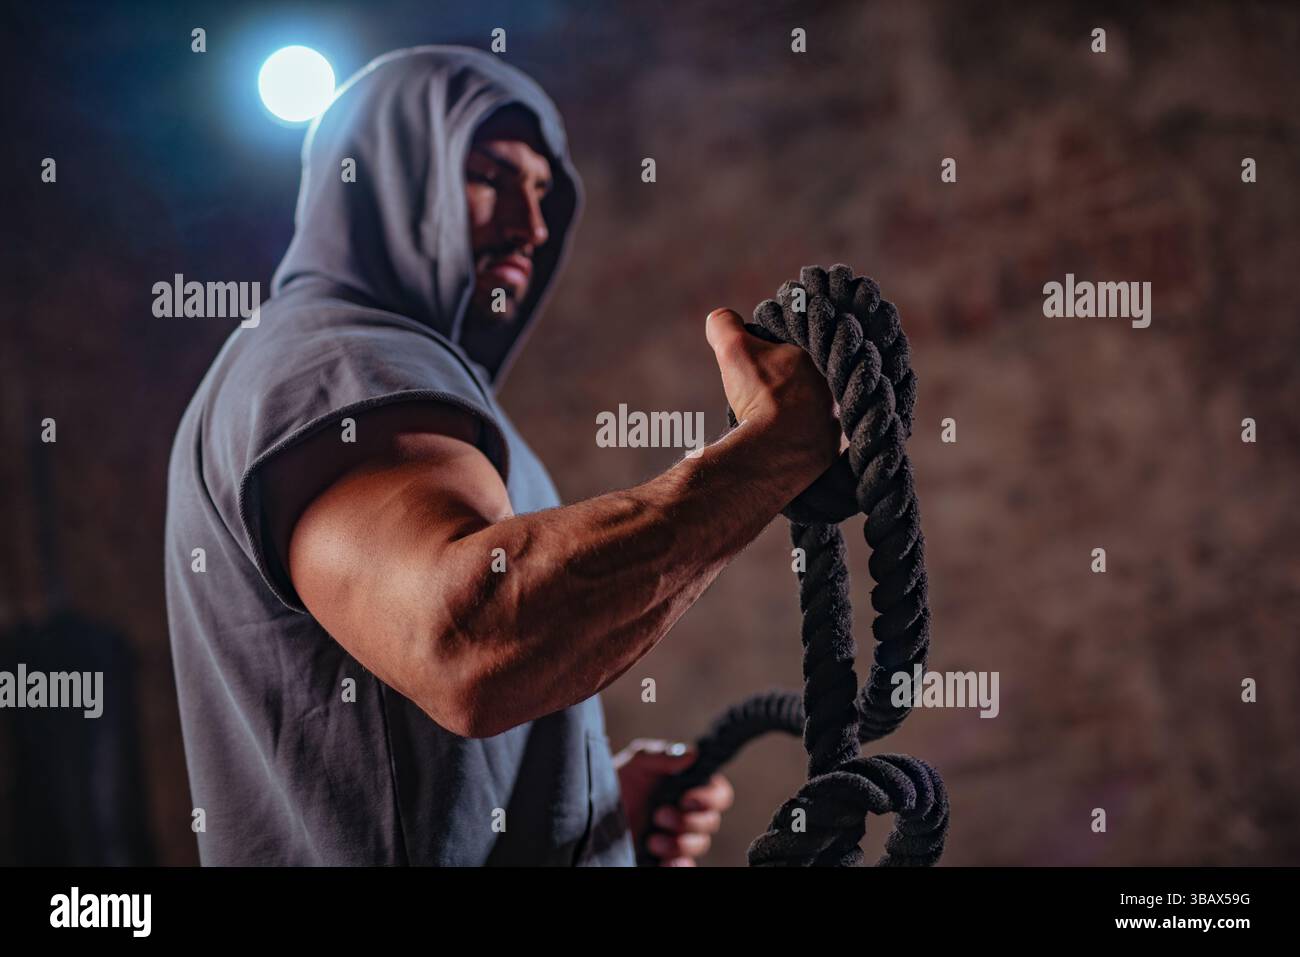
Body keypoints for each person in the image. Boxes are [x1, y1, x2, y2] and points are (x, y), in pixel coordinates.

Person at [164, 45, 839, 866]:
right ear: (385, 177)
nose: (533, 224)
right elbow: (468, 641)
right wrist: (769, 455)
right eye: (490, 176)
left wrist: (575, 804)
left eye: (541, 189)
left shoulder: (387, 373)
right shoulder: (335, 363)